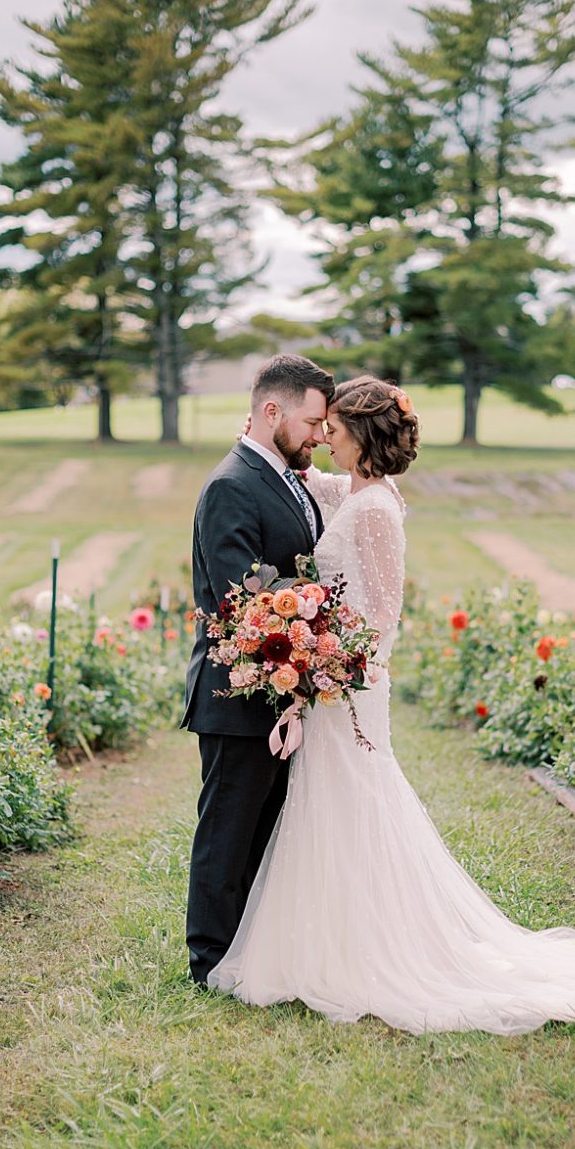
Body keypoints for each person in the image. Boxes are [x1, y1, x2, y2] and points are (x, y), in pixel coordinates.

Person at [199, 372, 575, 1035]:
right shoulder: (355, 489)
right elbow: (298, 484)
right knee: (329, 809)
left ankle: (366, 948)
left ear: (361, 438)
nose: (323, 441)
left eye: (335, 431)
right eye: (319, 428)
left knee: (352, 806)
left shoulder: (375, 508)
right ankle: (329, 934)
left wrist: (323, 674)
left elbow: (380, 619)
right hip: (330, 688)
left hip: (348, 691)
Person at [182, 354, 335, 987]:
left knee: (260, 831)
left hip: (277, 691)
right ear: (272, 411)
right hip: (237, 693)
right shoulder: (231, 485)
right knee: (228, 830)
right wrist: (294, 671)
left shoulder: (286, 475)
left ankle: (247, 952)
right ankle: (210, 962)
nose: (321, 435)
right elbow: (238, 603)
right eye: (313, 422)